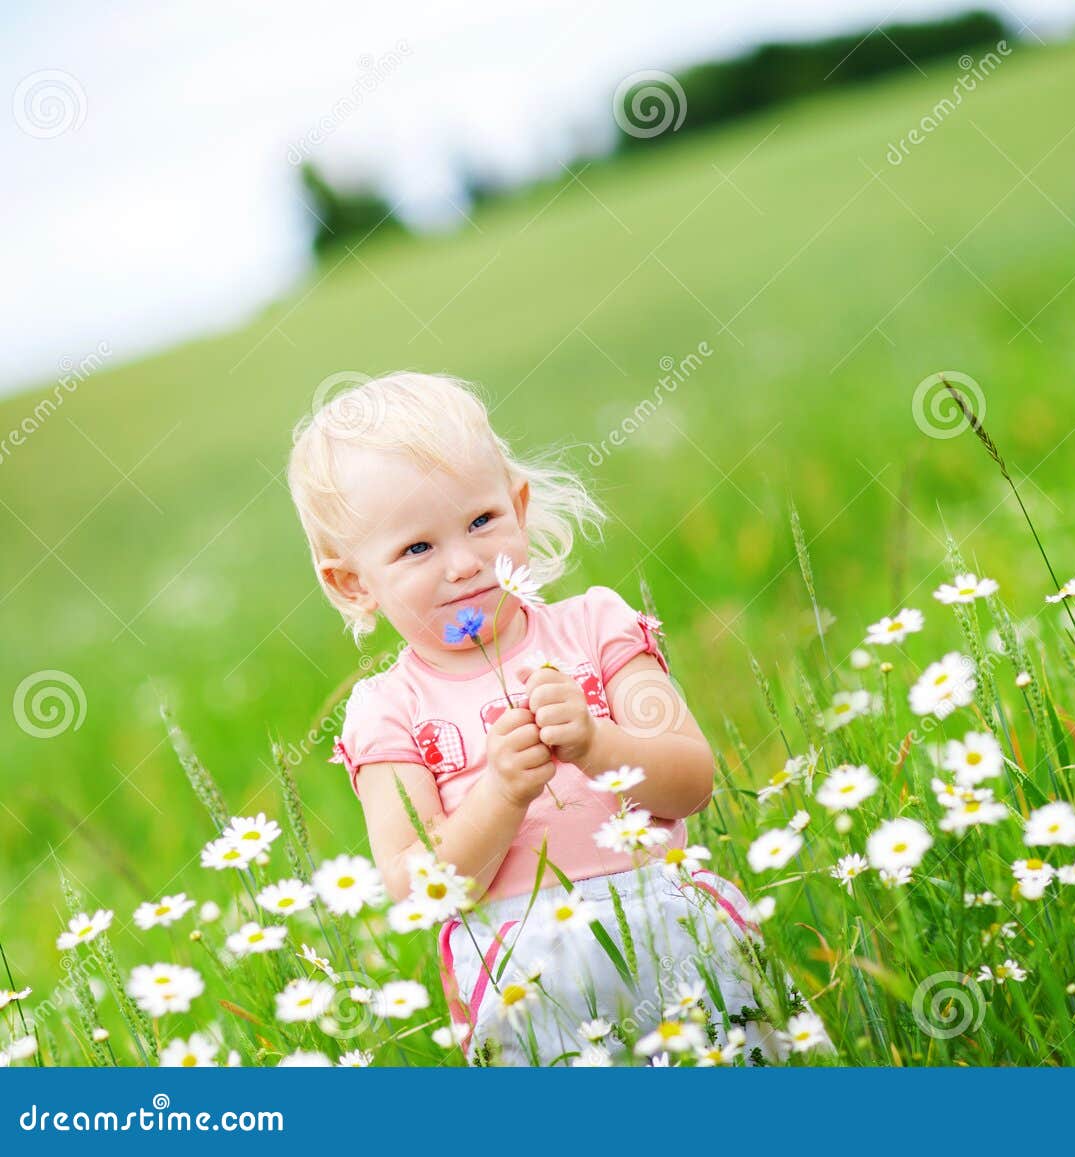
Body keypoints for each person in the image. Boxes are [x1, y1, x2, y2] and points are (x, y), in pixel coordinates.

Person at [286, 371, 798, 1066]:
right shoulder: (387, 710)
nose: (464, 564)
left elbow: (694, 781)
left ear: (518, 507)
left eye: (481, 521)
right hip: (526, 984)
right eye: (417, 548)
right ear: (352, 582)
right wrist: (499, 793)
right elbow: (416, 889)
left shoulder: (596, 626)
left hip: (674, 938)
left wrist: (597, 743)